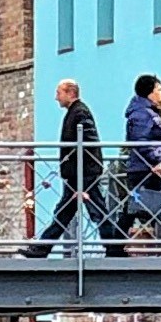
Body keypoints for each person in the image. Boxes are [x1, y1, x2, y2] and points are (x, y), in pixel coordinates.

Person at [114, 73, 161, 242]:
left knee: (135, 207)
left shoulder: (145, 112)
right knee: (158, 205)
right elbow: (141, 141)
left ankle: (115, 245)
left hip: (142, 168)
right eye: (160, 89)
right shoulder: (143, 114)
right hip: (145, 169)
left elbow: (147, 139)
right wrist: (156, 161)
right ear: (150, 92)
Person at [36, 75, 108, 248]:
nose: (56, 97)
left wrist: (80, 174)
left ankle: (115, 246)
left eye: (58, 93)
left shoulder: (79, 112)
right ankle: (42, 247)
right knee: (68, 212)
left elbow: (87, 142)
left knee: (93, 210)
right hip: (79, 172)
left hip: (83, 173)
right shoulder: (75, 112)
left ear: (70, 93)